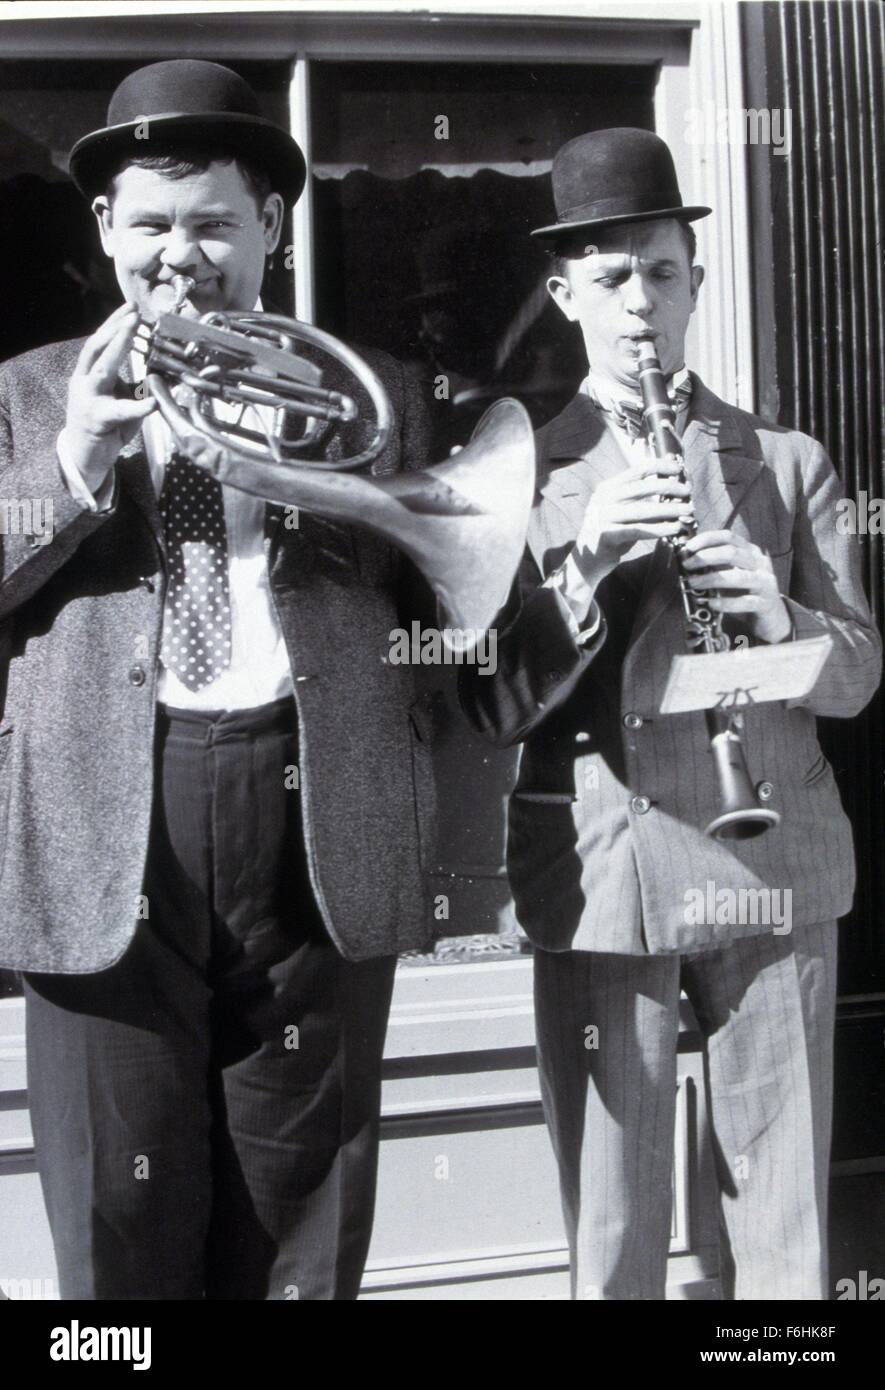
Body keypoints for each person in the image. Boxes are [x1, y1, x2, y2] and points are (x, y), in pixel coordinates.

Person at [0, 60, 436, 1300]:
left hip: (313, 805)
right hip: (107, 819)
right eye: (149, 224)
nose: (178, 256)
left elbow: (447, 609)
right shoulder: (24, 395)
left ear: (273, 231)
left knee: (303, 1207)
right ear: (104, 230)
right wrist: (81, 455)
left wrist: (320, 481)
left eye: (211, 225)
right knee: (115, 1210)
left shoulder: (370, 391)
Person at [459, 127, 882, 1300]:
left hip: (776, 863)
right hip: (607, 874)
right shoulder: (519, 468)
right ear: (563, 294)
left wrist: (785, 618)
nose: (637, 302)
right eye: (608, 276)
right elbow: (485, 699)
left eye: (658, 269)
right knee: (616, 1232)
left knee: (790, 1225)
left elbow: (858, 673)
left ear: (695, 279)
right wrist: (584, 565)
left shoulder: (787, 461)